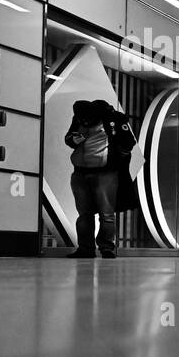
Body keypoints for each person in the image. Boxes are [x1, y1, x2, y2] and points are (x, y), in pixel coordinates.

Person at [63, 99, 137, 258]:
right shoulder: (79, 118)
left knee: (106, 213)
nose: (84, 122)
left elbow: (128, 142)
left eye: (87, 119)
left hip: (105, 172)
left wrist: (117, 160)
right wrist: (73, 139)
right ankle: (86, 248)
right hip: (80, 172)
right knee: (84, 214)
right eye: (81, 119)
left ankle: (106, 248)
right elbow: (68, 138)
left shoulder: (114, 119)